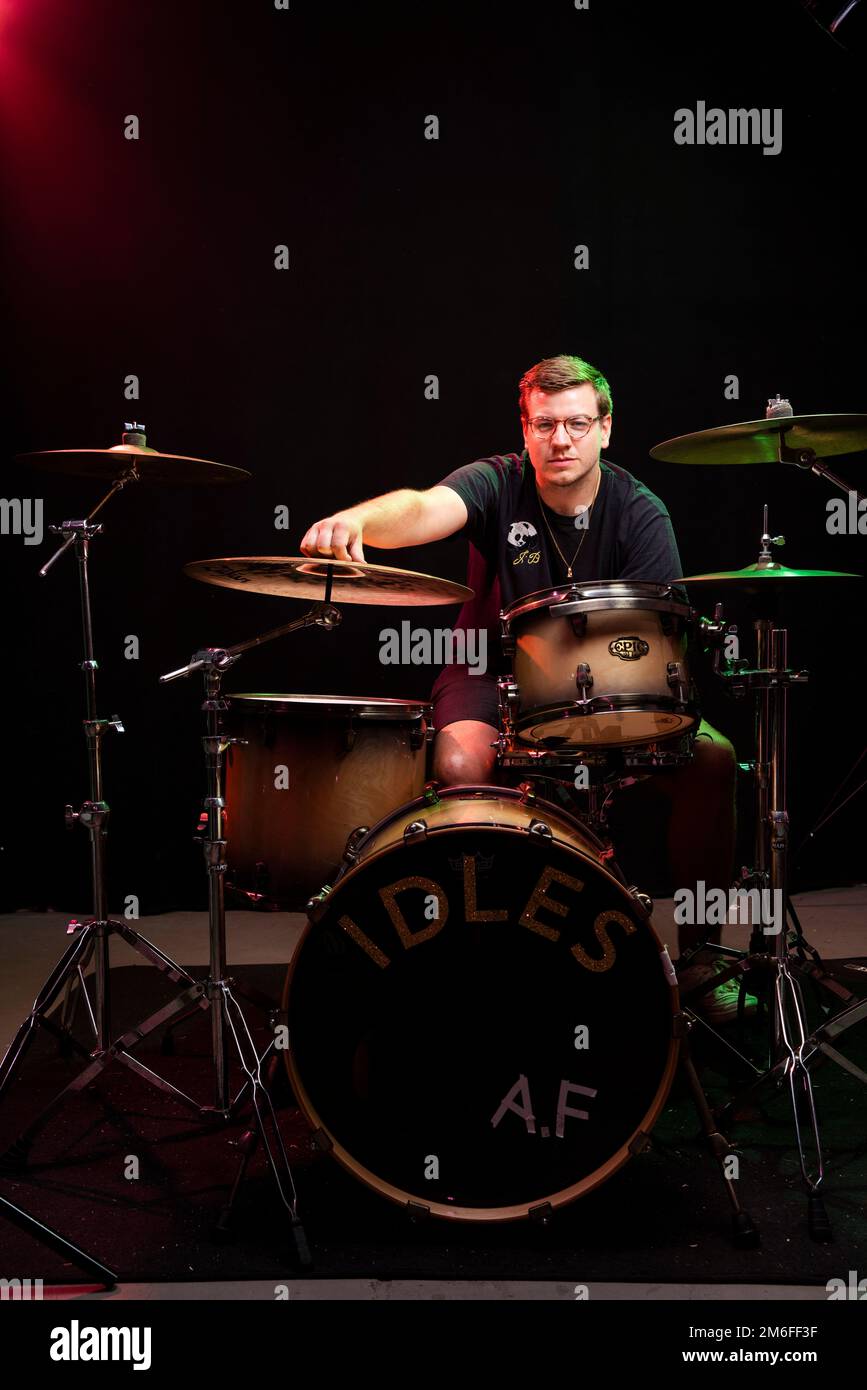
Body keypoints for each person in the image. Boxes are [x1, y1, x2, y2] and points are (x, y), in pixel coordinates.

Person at [300, 354, 752, 1022]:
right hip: (488, 670)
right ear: (525, 428)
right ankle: (482, 951)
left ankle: (702, 957)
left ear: (604, 429)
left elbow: (658, 639)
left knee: (712, 761)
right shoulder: (495, 483)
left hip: (609, 685)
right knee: (461, 763)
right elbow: (424, 506)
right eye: (544, 424)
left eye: (575, 424)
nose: (560, 440)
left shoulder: (640, 512)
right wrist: (357, 523)